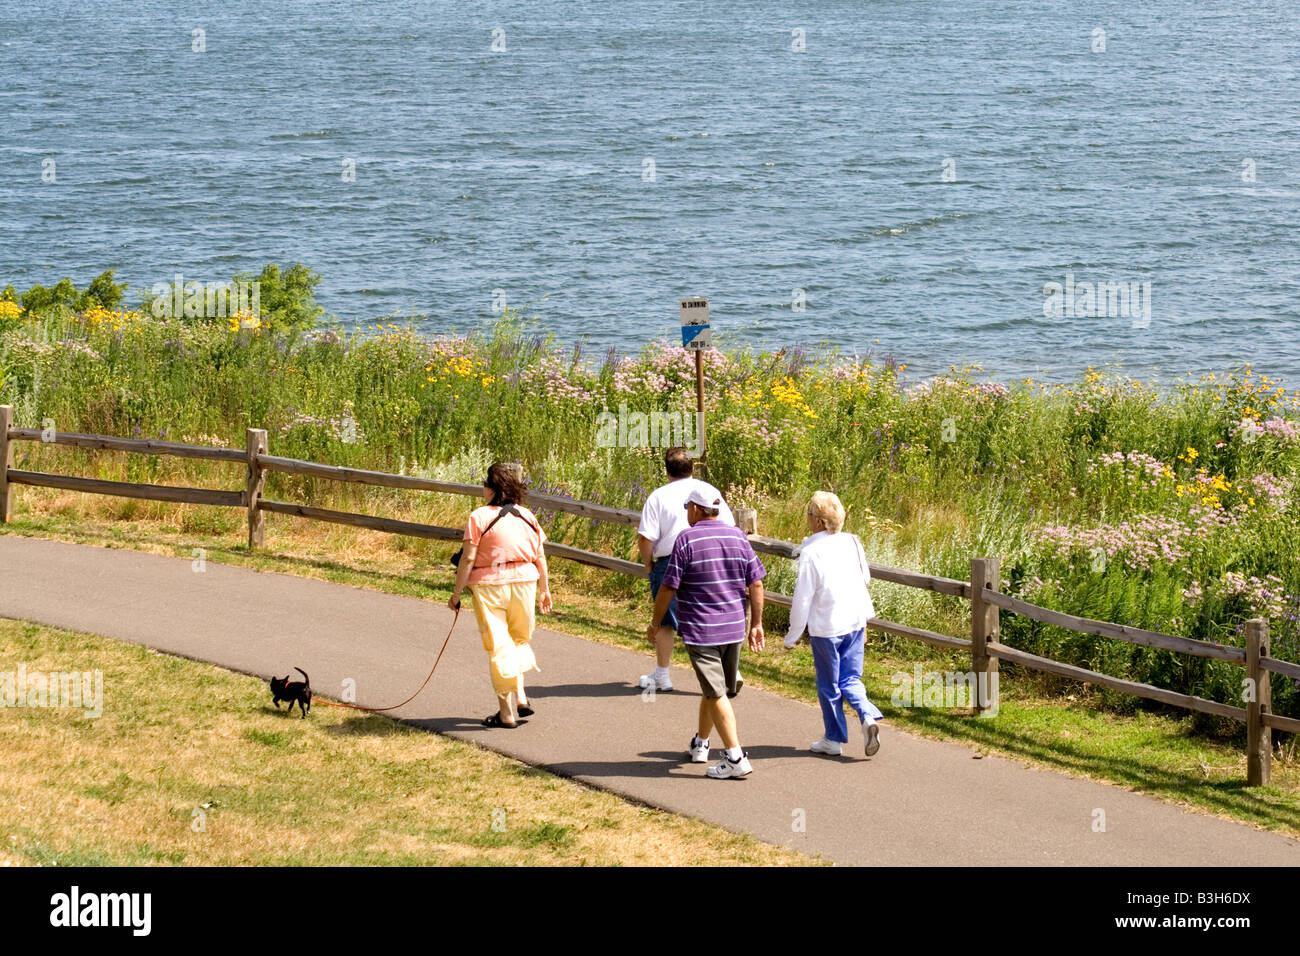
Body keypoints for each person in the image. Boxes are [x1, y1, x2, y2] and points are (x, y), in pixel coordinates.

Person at [648, 487, 765, 779]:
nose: (687, 512)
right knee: (714, 688)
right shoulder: (738, 536)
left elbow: (668, 586)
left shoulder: (686, 539)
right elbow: (757, 584)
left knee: (716, 692)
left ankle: (735, 757)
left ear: (697, 510)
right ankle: (701, 743)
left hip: (702, 629)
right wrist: (756, 624)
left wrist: (655, 622)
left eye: (688, 507)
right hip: (734, 626)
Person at [449, 461, 552, 728]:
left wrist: (457, 592)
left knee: (498, 646)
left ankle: (506, 713)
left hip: (489, 584)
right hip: (525, 581)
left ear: (492, 488)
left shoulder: (478, 517)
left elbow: (468, 558)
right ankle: (521, 696)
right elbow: (539, 556)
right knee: (518, 639)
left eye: (485, 484)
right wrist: (545, 589)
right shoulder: (527, 515)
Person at [783, 491, 883, 757]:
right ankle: (867, 716)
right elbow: (866, 578)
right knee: (851, 678)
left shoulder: (811, 551)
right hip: (855, 621)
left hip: (827, 627)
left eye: (808, 513)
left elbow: (802, 598)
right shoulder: (852, 541)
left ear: (817, 520)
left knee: (829, 684)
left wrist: (792, 636)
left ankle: (833, 738)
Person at [635, 446, 734, 692]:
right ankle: (729, 669)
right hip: (708, 557)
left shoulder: (658, 496)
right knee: (707, 612)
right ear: (692, 468)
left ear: (667, 470)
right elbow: (730, 525)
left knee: (666, 620)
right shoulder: (709, 490)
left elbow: (646, 537)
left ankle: (663, 674)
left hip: (669, 560)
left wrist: (649, 563)